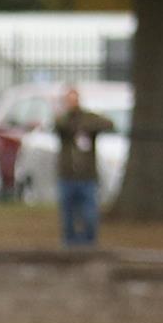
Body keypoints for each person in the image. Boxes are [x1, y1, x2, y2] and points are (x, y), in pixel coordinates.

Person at [53, 87, 114, 248]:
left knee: (89, 215)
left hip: (87, 177)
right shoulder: (63, 120)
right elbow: (59, 125)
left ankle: (89, 244)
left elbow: (108, 123)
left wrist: (84, 125)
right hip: (67, 177)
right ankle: (69, 245)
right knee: (68, 216)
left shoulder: (88, 118)